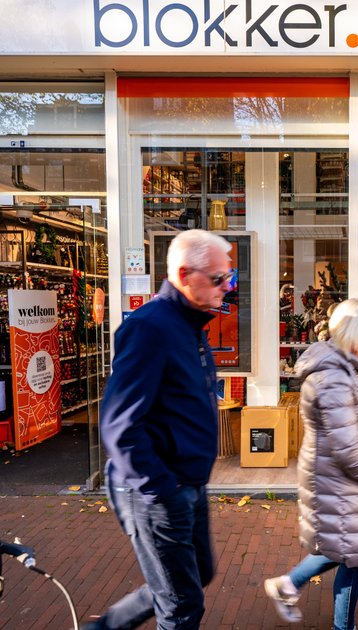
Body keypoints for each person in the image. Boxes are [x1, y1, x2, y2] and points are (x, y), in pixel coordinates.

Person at [86, 229, 235, 630]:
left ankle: (102, 628)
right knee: (181, 603)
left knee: (195, 576)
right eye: (219, 279)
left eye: (230, 277)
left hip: (186, 485)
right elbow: (119, 422)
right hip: (155, 492)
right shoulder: (152, 327)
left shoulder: (188, 325)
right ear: (186, 275)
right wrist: (160, 490)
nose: (227, 287)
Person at [262, 298, 358, 630]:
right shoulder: (334, 376)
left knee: (343, 549)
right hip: (339, 479)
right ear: (351, 333)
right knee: (355, 553)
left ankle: (288, 585)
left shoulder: (340, 367)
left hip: (333, 475)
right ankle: (338, 624)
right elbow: (346, 446)